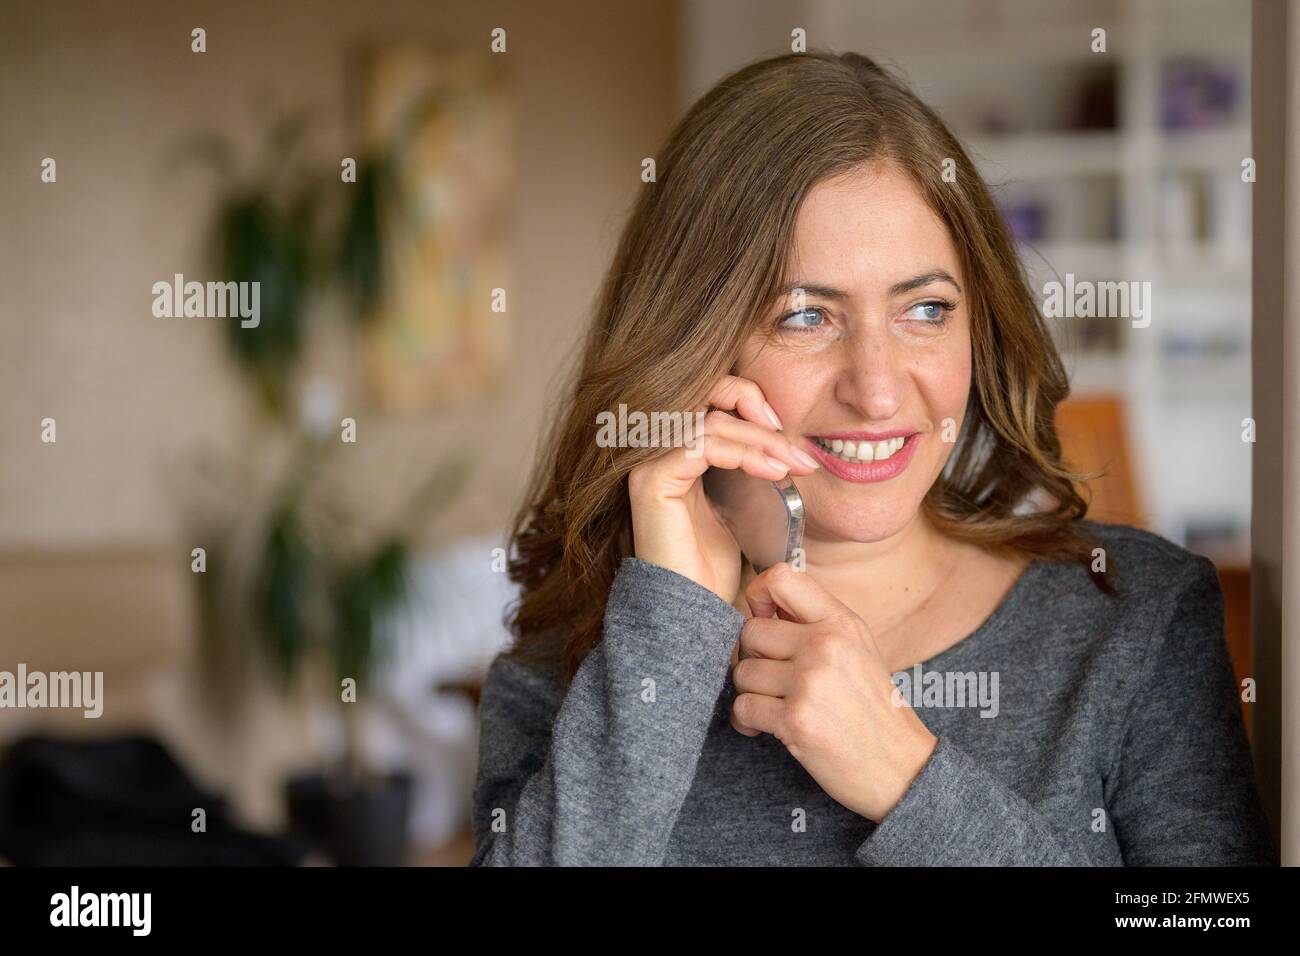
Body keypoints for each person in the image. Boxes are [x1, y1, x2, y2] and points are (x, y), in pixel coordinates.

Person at [469, 49, 1276, 865]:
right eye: (805, 317)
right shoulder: (570, 666)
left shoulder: (1137, 616)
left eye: (925, 308)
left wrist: (906, 776)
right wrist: (672, 629)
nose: (880, 391)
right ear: (694, 343)